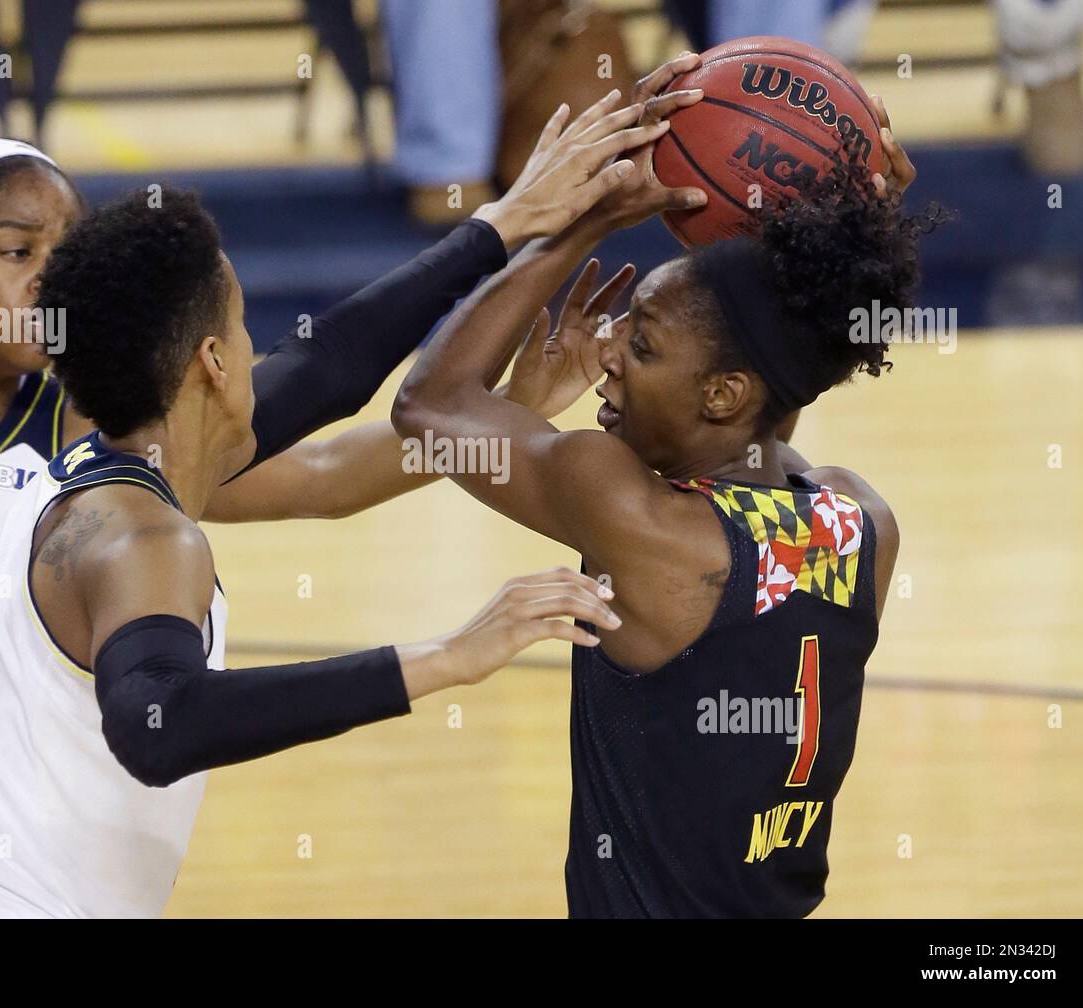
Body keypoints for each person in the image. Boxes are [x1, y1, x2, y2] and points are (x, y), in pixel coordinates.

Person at [0, 86, 670, 917]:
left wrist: (523, 226)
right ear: (216, 364)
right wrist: (447, 655)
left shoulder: (83, 459)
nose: (264, 355)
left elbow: (331, 369)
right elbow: (159, 726)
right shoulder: (133, 531)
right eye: (246, 331)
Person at [392, 54, 934, 917]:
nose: (606, 351)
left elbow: (429, 404)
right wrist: (853, 234)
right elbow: (787, 368)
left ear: (724, 395)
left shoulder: (635, 518)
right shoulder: (862, 520)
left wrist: (576, 224)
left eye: (640, 346)